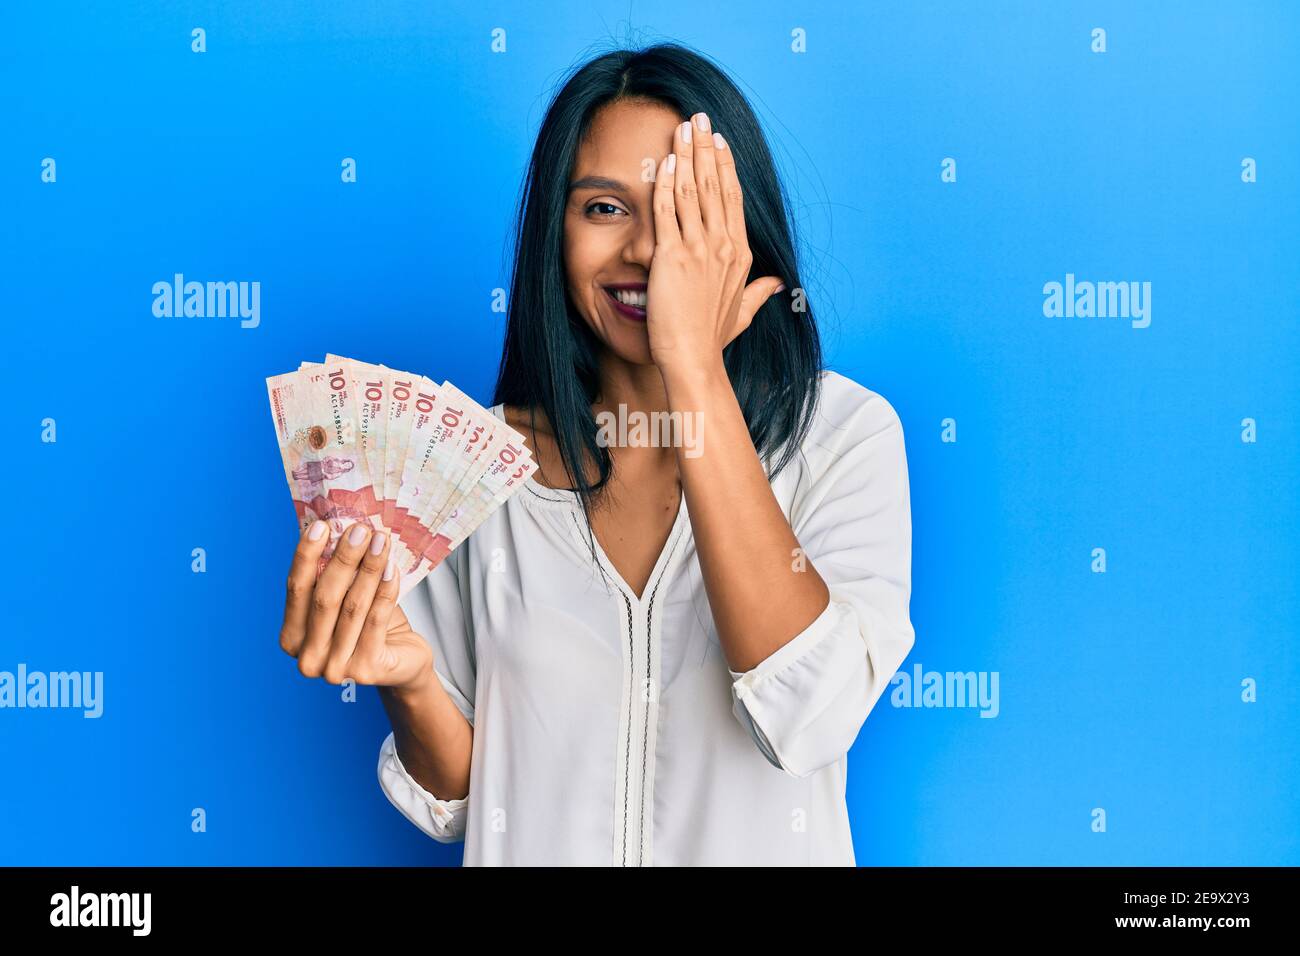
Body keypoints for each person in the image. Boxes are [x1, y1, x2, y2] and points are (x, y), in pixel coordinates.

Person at [278, 42, 915, 866]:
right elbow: (468, 799)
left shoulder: (843, 437)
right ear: (556, 233)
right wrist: (408, 682)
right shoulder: (478, 465)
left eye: (682, 210)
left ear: (739, 230)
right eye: (604, 208)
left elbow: (809, 716)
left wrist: (692, 367)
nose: (646, 251)